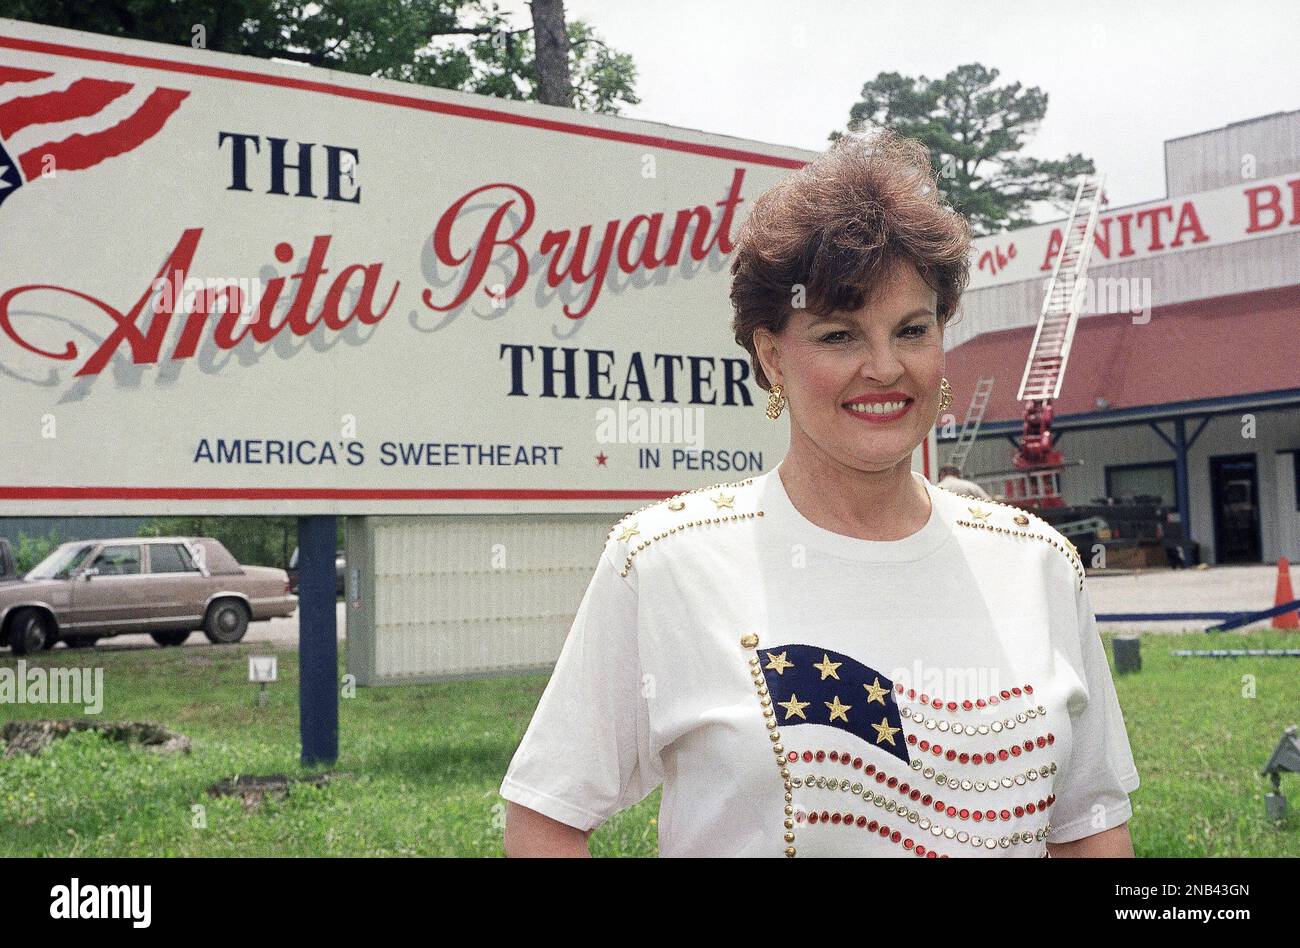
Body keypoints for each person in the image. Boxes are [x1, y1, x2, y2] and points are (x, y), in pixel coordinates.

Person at [499, 129, 1139, 858]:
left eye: (912, 329)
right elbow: (546, 817)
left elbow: (1088, 826)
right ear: (772, 356)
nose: (884, 366)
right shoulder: (665, 562)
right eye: (839, 336)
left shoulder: (1039, 563)